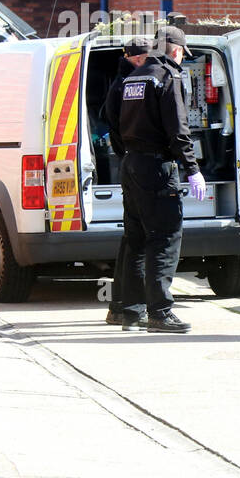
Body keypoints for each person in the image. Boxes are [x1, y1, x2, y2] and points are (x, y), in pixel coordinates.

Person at [114, 25, 207, 333]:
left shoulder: (134, 77)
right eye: (181, 53)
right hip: (156, 168)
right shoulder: (168, 76)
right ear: (175, 50)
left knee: (137, 240)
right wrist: (192, 169)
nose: (181, 58)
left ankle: (131, 311)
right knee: (164, 239)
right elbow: (178, 130)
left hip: (131, 164)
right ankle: (160, 312)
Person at [103, 35, 153, 327]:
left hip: (128, 164)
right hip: (138, 165)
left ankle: (119, 306)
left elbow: (113, 126)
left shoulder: (119, 85)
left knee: (130, 238)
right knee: (140, 240)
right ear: (138, 58)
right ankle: (134, 308)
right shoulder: (131, 85)